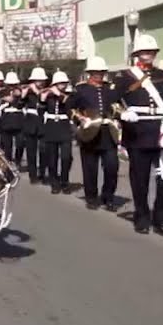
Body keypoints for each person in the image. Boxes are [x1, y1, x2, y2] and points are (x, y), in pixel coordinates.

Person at [112, 34, 163, 234]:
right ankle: (141, 216)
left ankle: (161, 217)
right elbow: (112, 101)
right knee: (140, 179)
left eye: (151, 51)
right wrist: (122, 113)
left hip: (162, 131)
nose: (148, 54)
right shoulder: (125, 76)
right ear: (137, 54)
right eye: (144, 51)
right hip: (137, 131)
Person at [70, 56, 120, 211]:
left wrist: (118, 116)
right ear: (90, 73)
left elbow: (117, 105)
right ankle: (91, 197)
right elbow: (70, 108)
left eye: (101, 72)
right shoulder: (81, 89)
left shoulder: (110, 89)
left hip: (108, 131)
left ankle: (108, 196)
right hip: (89, 131)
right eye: (95, 72)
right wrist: (80, 119)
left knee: (112, 166)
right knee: (90, 168)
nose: (99, 75)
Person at [40, 71, 74, 195]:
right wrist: (42, 100)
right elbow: (40, 112)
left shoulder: (70, 95)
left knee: (66, 157)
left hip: (64, 127)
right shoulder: (49, 95)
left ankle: (65, 181)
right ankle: (54, 182)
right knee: (52, 158)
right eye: (60, 83)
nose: (63, 85)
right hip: (51, 127)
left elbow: (70, 106)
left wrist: (59, 94)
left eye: (64, 83)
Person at [21, 67, 48, 184]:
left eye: (41, 80)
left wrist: (37, 92)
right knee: (31, 152)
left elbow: (44, 105)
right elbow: (20, 105)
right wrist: (23, 95)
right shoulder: (28, 92)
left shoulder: (46, 91)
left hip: (43, 123)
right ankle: (33, 175)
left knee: (44, 151)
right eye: (37, 80)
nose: (40, 82)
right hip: (30, 123)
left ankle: (42, 173)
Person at [0, 71, 24, 169]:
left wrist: (20, 96)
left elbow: (22, 104)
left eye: (14, 84)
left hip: (18, 120)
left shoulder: (20, 92)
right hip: (6, 119)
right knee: (7, 145)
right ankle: (8, 162)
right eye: (10, 84)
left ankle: (18, 160)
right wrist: (6, 98)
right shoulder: (2, 92)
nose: (12, 86)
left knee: (20, 143)